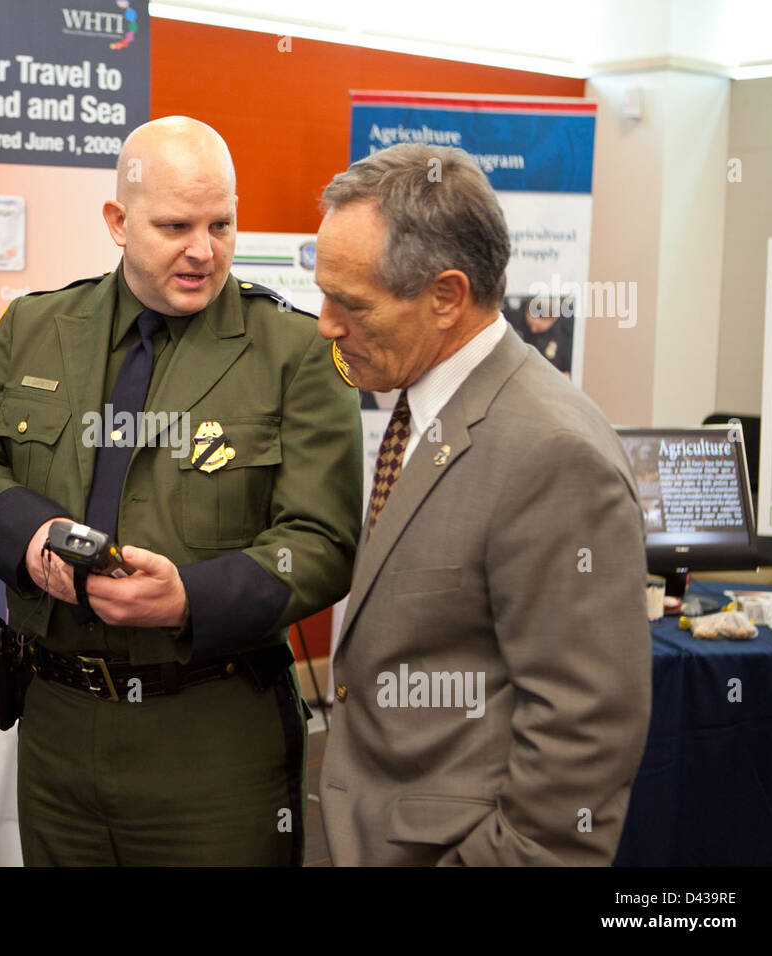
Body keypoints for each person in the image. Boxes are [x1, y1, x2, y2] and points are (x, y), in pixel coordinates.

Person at [0, 116, 361, 866]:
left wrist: (190, 596)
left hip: (212, 736)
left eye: (221, 224)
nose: (204, 250)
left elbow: (322, 541)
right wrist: (32, 541)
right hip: (59, 724)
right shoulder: (36, 325)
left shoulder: (296, 352)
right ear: (118, 223)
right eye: (175, 226)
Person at [315, 143, 651, 866]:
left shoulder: (552, 456)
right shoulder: (424, 406)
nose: (326, 325)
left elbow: (583, 743)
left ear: (446, 296)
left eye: (352, 303)